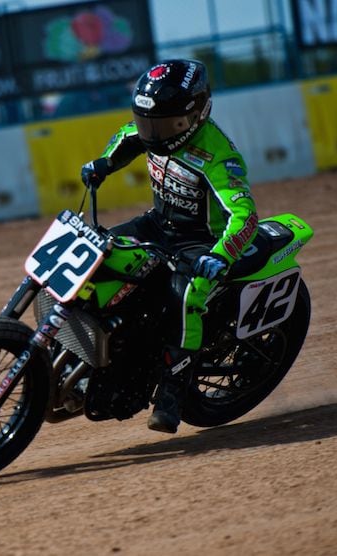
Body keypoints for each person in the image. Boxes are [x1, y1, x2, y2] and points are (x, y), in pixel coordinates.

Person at [80, 59, 258, 434]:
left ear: (197, 113)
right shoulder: (153, 127)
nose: (153, 134)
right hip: (158, 224)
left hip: (200, 243)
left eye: (163, 126)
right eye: (149, 123)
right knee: (98, 254)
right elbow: (127, 137)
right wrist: (103, 163)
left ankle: (172, 393)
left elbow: (245, 215)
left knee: (187, 296)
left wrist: (220, 256)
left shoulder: (218, 156)